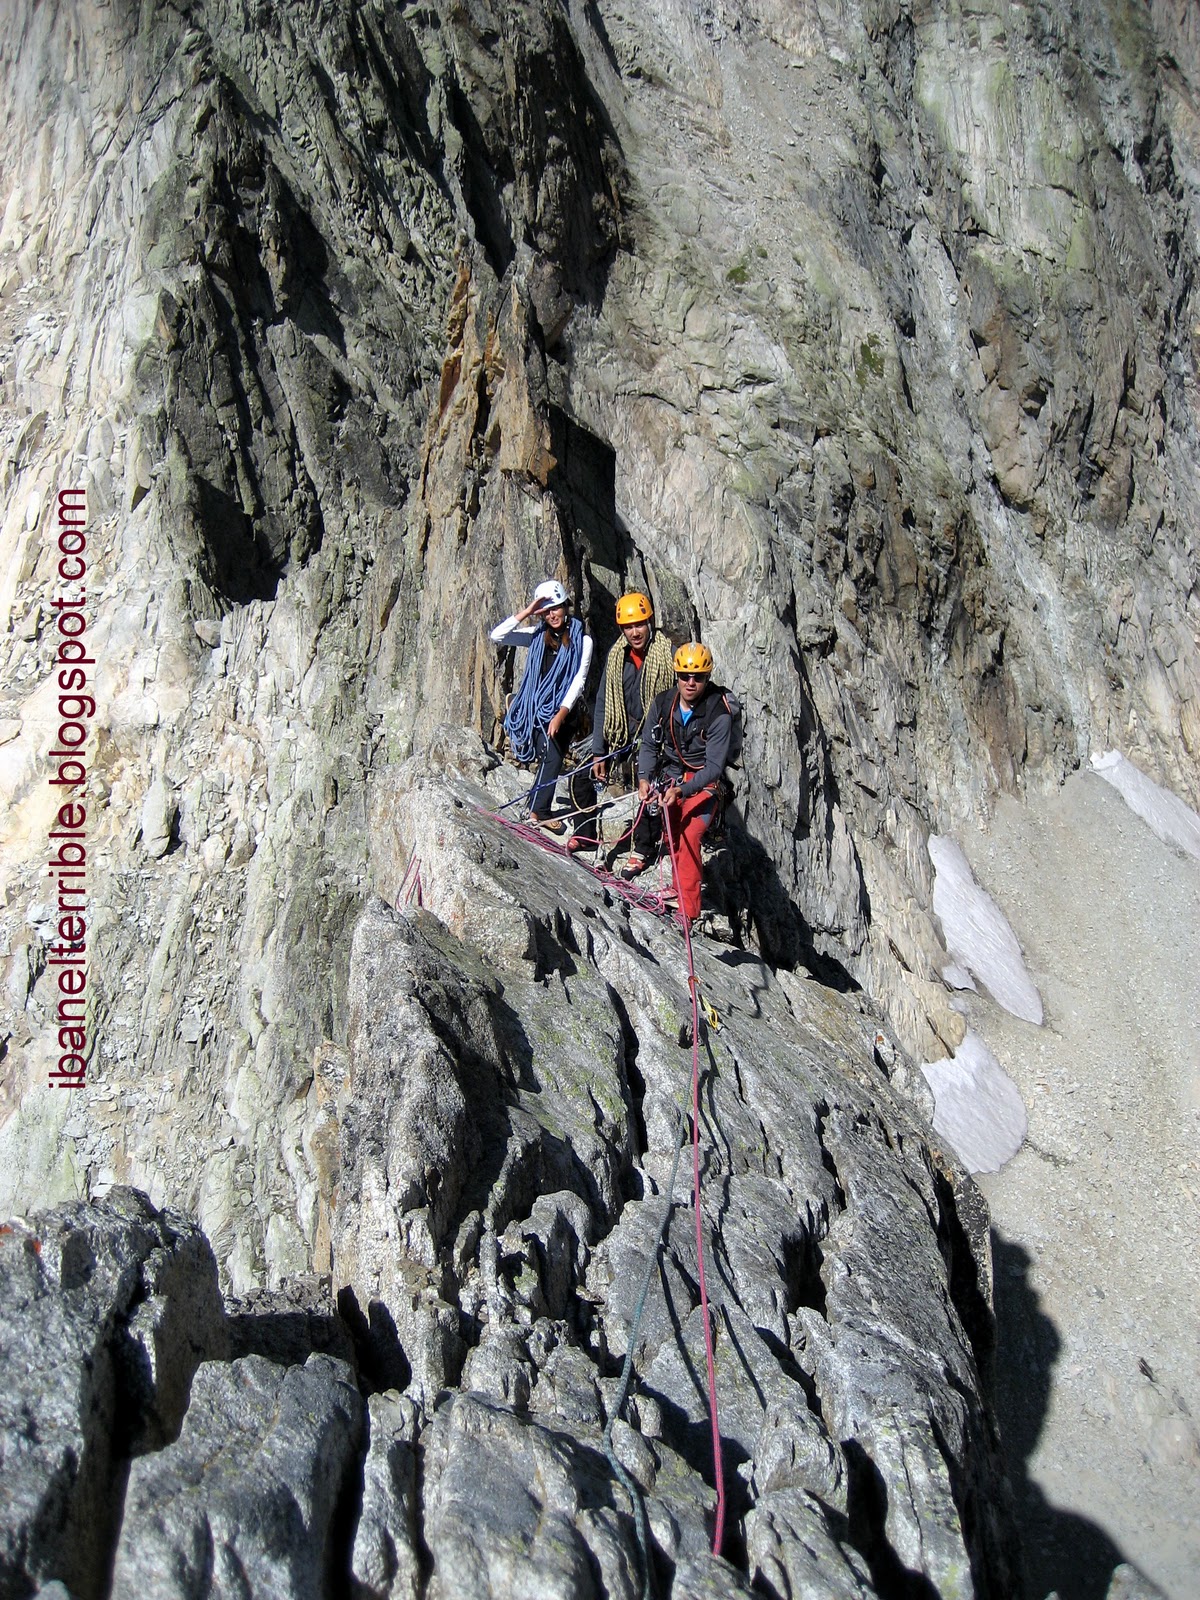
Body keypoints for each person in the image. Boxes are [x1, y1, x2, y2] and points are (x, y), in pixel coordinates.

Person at [630, 641, 732, 925]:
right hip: (672, 776)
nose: (690, 682)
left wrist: (682, 790)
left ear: (707, 678)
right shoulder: (664, 703)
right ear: (676, 675)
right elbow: (649, 744)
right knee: (672, 833)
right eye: (685, 675)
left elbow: (713, 767)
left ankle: (688, 909)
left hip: (703, 784)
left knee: (689, 834)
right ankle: (678, 887)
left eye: (697, 677)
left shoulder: (718, 713)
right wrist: (644, 779)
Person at [567, 591, 675, 854]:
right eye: (628, 627)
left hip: (655, 736)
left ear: (649, 622)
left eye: (639, 624)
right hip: (621, 731)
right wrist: (598, 752)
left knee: (648, 783)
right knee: (580, 776)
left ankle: (643, 847)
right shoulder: (617, 659)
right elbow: (604, 702)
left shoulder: (668, 656)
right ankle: (585, 834)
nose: (635, 632)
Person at [491, 579, 593, 832]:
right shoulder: (536, 636)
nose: (552, 614)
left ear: (565, 606)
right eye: (546, 611)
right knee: (548, 754)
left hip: (564, 711)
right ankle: (539, 810)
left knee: (552, 756)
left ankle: (537, 810)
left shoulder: (583, 640)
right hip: (537, 708)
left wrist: (560, 713)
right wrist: (527, 611)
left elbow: (579, 679)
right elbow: (497, 636)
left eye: (556, 607)